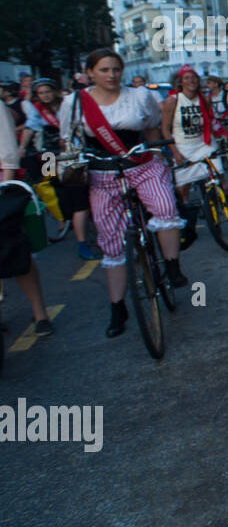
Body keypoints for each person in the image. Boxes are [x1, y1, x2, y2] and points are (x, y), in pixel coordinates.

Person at [59, 49, 187, 337]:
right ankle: (118, 307)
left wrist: (160, 156)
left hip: (141, 164)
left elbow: (153, 128)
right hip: (101, 173)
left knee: (165, 207)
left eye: (116, 69)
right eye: (104, 70)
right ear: (90, 72)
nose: (111, 75)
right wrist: (60, 173)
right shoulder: (74, 102)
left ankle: (172, 266)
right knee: (111, 243)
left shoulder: (140, 96)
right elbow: (66, 140)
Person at [20, 78, 95, 259]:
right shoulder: (37, 110)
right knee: (51, 190)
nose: (45, 96)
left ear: (55, 91)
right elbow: (30, 128)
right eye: (41, 93)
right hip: (48, 156)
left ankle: (81, 238)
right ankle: (62, 219)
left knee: (77, 195)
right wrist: (21, 148)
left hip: (71, 155)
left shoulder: (67, 105)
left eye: (48, 91)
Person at [0, 102, 53, 337]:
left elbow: (9, 154)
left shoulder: (26, 105)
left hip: (44, 155)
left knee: (15, 252)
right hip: (41, 154)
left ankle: (40, 311)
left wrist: (4, 188)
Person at [162, 67, 222, 248]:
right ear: (181, 81)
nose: (191, 81)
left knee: (218, 175)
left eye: (194, 77)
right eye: (187, 78)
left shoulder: (204, 99)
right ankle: (188, 223)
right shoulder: (172, 101)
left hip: (203, 143)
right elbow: (165, 129)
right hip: (183, 147)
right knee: (184, 190)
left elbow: (210, 122)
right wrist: (174, 152)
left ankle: (220, 207)